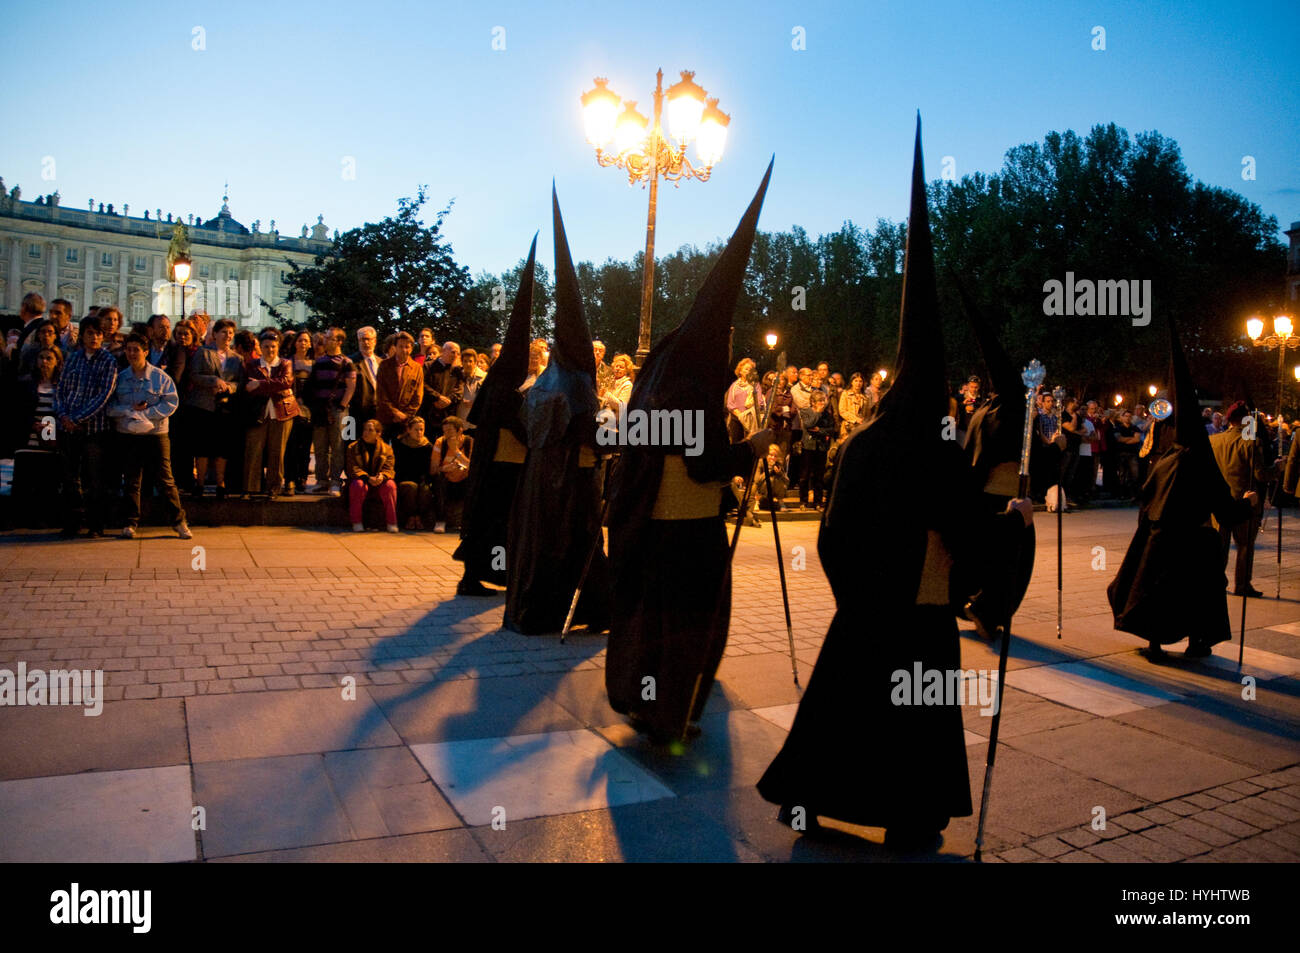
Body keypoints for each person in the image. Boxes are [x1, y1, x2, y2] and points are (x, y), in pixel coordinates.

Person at [758, 119, 1032, 849]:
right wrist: (1009, 525)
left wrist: (858, 593)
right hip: (920, 607)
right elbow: (961, 525)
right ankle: (909, 811)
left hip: (870, 609)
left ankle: (812, 800)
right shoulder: (935, 446)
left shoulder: (866, 442)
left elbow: (833, 532)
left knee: (846, 709)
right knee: (911, 719)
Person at [606, 161, 772, 743]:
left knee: (653, 621)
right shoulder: (698, 387)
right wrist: (751, 447)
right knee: (691, 625)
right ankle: (669, 713)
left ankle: (643, 698)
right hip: (692, 529)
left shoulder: (662, 371)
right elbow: (703, 464)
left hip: (653, 527)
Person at [1109, 323, 1257, 659]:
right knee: (1202, 587)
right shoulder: (1200, 459)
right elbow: (1225, 509)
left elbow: (1146, 501)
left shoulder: (1167, 459)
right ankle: (1198, 640)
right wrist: (1247, 504)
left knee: (1158, 587)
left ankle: (1156, 641)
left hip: (1160, 540)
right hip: (1195, 538)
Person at [503, 190, 610, 635]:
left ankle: (537, 613)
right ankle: (596, 611)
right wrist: (616, 439)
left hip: (537, 481)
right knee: (579, 545)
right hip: (569, 482)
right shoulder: (578, 381)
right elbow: (589, 432)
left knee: (543, 545)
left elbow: (525, 424)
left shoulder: (546, 378)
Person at [453, 237, 538, 596]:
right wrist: (537, 439)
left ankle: (483, 576)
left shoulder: (499, 380)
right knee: (497, 522)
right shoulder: (506, 386)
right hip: (504, 464)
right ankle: (481, 577)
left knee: (492, 522)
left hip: (495, 463)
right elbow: (515, 424)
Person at [106, 333, 191, 539]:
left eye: (137, 349)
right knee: (132, 480)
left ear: (146, 352)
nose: (132, 353)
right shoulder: (120, 377)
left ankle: (179, 522)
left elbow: (171, 402)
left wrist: (146, 414)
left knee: (165, 479)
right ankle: (130, 522)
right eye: (129, 349)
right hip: (128, 434)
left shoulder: (160, 377)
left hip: (155, 434)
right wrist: (129, 410)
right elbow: (110, 406)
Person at [53, 315, 119, 538]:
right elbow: (60, 388)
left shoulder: (108, 360)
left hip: (93, 430)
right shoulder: (73, 359)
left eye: (99, 334)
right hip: (66, 428)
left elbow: (104, 395)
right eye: (90, 333)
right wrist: (63, 416)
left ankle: (95, 523)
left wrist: (77, 419)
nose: (95, 337)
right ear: (82, 335)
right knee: (70, 478)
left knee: (94, 479)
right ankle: (73, 521)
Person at [1209, 401, 1278, 598]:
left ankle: (1216, 583)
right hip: (1245, 502)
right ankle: (1242, 585)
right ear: (1246, 420)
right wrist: (1277, 469)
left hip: (1220, 501)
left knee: (1219, 546)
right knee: (1245, 545)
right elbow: (1260, 474)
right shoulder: (1250, 441)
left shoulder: (1214, 441)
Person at [187, 318, 242, 499]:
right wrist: (213, 381)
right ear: (215, 334)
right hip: (203, 406)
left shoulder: (236, 358)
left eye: (231, 333)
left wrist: (229, 387)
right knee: (202, 447)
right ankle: (200, 484)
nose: (228, 336)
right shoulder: (203, 352)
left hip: (224, 408)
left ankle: (220, 484)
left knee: (222, 448)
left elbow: (239, 382)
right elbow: (194, 375)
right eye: (224, 332)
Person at [242, 328, 298, 498]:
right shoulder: (252, 364)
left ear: (278, 347)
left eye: (273, 346)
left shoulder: (285, 364)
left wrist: (260, 384)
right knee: (254, 450)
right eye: (266, 346)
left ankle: (274, 488)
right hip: (258, 413)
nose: (270, 350)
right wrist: (272, 386)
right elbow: (248, 388)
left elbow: (286, 382)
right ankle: (250, 488)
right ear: (260, 347)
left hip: (281, 413)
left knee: (277, 452)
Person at [12, 346, 63, 519]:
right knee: (23, 482)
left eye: (49, 358)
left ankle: (43, 517)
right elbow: (16, 411)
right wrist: (32, 424)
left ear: (57, 362)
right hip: (28, 439)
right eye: (41, 357)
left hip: (49, 439)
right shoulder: (26, 383)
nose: (45, 362)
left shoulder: (61, 386)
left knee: (46, 483)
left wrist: (50, 428)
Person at [306, 328, 356, 496]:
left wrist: (342, 406)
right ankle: (321, 480)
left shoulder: (346, 362)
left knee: (337, 446)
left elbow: (351, 387)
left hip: (338, 410)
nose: (325, 341)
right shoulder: (319, 362)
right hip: (320, 410)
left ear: (339, 342)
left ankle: (335, 480)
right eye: (326, 337)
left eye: (330, 338)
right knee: (320, 447)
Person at [346, 418, 398, 533]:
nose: (366, 433)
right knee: (358, 485)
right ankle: (357, 522)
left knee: (390, 486)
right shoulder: (353, 447)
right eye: (365, 430)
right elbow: (352, 468)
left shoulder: (387, 449)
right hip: (362, 479)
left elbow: (389, 469)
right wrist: (367, 478)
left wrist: (382, 477)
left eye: (370, 430)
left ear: (378, 433)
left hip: (379, 480)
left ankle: (391, 522)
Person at [283, 330, 315, 495]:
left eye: (306, 341)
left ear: (310, 344)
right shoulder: (288, 362)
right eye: (300, 340)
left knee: (305, 446)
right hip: (290, 407)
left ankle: (302, 477)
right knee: (291, 446)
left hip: (309, 409)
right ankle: (290, 479)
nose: (303, 343)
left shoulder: (314, 364)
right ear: (295, 343)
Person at [377, 331, 423, 441]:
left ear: (411, 348)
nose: (404, 350)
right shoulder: (384, 365)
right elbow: (381, 392)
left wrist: (406, 415)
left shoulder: (417, 368)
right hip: (386, 417)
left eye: (407, 347)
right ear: (395, 347)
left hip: (405, 420)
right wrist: (394, 412)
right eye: (400, 346)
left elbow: (418, 395)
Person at [432, 416, 473, 533]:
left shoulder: (469, 442)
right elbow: (433, 469)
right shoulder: (440, 442)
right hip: (447, 479)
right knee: (439, 481)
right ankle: (440, 520)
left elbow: (472, 466)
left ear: (460, 430)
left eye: (450, 431)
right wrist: (445, 468)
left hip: (464, 478)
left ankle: (467, 522)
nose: (447, 434)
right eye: (444, 431)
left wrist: (456, 451)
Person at [394, 415, 434, 529]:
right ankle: (412, 517)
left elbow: (428, 468)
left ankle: (419, 517)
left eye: (421, 429)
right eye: (416, 429)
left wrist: (424, 480)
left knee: (425, 489)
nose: (419, 432)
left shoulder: (428, 446)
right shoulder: (400, 445)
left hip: (422, 479)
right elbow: (397, 466)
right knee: (410, 487)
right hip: (404, 477)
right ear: (409, 430)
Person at [797, 389, 835, 509]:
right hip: (808, 446)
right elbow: (808, 425)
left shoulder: (827, 414)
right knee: (805, 474)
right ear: (813, 402)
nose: (822, 403)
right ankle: (803, 501)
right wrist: (817, 413)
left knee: (818, 475)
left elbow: (831, 429)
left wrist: (819, 430)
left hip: (822, 447)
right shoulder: (805, 411)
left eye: (824, 400)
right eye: (820, 401)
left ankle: (817, 501)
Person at [421, 340, 463, 435]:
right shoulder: (428, 366)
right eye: (453, 352)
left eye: (458, 353)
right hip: (428, 413)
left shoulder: (458, 371)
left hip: (447, 417)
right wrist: (437, 397)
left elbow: (459, 391)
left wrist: (448, 400)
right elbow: (422, 384)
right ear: (443, 351)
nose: (455, 355)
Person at [725, 358, 762, 444]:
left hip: (751, 419)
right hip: (736, 419)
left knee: (750, 443)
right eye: (746, 369)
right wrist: (740, 416)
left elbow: (759, 402)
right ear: (740, 371)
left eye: (750, 369)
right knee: (736, 443)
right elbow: (730, 404)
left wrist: (746, 415)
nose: (748, 371)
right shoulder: (734, 385)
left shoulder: (755, 385)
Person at [350, 326, 380, 426]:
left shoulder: (381, 362)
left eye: (368, 339)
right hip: (357, 414)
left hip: (378, 413)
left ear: (374, 341)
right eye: (362, 340)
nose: (365, 343)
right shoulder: (351, 362)